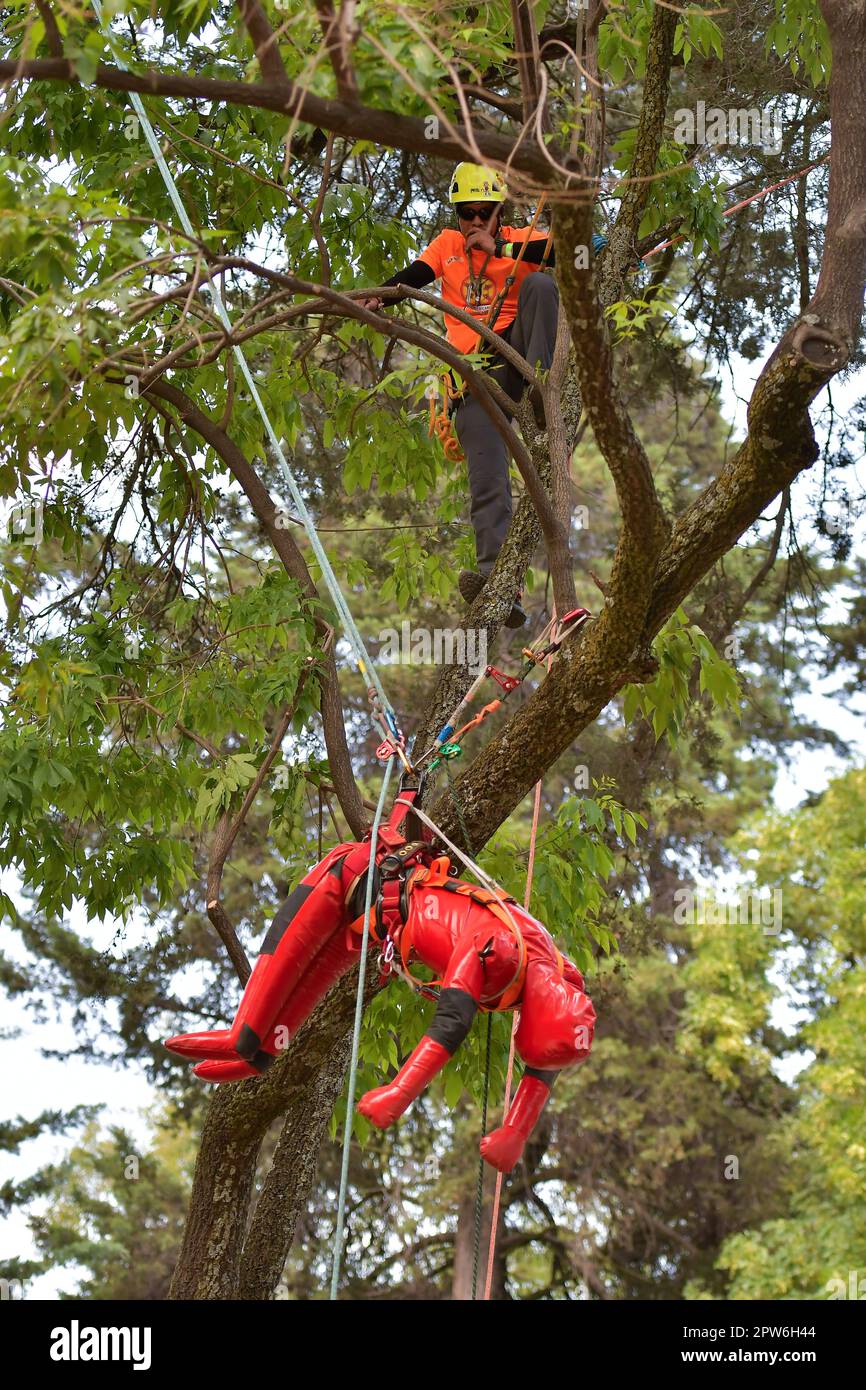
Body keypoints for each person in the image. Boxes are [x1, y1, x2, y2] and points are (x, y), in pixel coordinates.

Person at [164, 793, 596, 1174]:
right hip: (351, 875)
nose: (518, 1024)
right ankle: (243, 1036)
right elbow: (451, 1022)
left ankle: (259, 1054)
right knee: (269, 991)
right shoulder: (497, 948)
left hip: (369, 924)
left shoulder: (558, 975)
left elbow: (545, 1063)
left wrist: (517, 1131)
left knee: (288, 1015)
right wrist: (400, 1091)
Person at [357, 162, 562, 629]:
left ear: (498, 212)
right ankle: (499, 586)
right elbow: (412, 275)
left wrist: (503, 245)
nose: (473, 222)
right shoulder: (448, 247)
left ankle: (541, 388)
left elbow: (566, 253)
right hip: (473, 375)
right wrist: (378, 297)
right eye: (465, 214)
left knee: (540, 284)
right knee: (486, 478)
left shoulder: (521, 239)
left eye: (482, 213)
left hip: (517, 351)